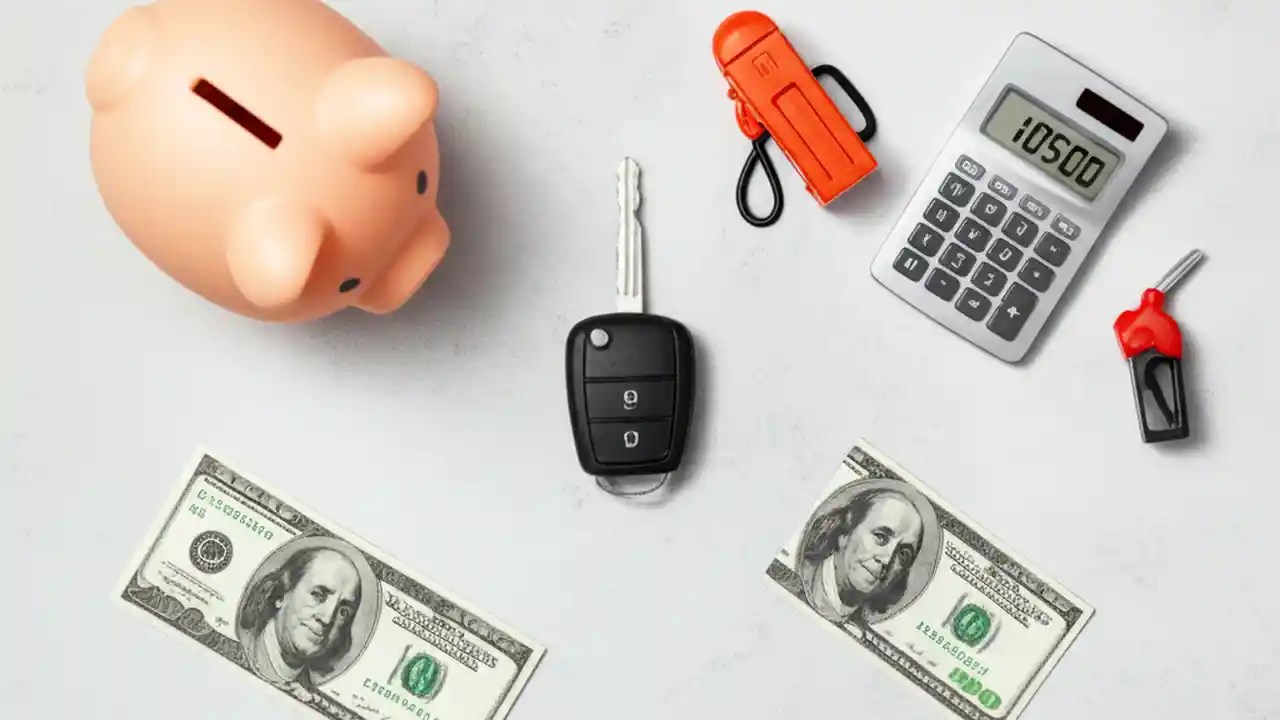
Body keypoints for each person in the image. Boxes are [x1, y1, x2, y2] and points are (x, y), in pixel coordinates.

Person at [239, 547, 363, 699]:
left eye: (343, 612)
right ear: (282, 594)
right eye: (318, 595)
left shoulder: (311, 695)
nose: (327, 618)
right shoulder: (241, 649)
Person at [800, 488, 925, 625]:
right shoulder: (800, 579)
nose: (887, 559)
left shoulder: (861, 630)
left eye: (902, 554)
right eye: (880, 537)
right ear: (846, 532)